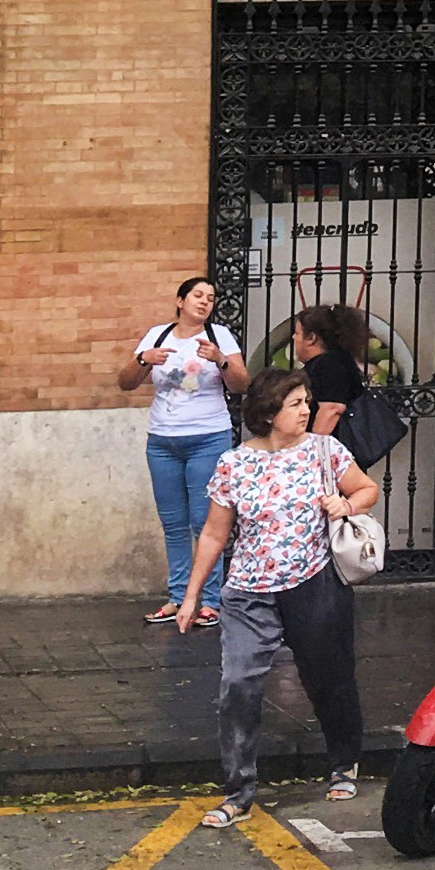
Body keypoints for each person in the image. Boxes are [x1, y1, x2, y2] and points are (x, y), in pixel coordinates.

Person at [177, 367, 378, 827]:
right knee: (238, 687)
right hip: (248, 592)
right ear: (269, 413)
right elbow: (213, 533)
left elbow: (367, 489)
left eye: (307, 401)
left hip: (314, 583)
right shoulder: (234, 464)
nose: (306, 410)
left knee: (328, 678)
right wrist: (192, 596)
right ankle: (237, 793)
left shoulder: (326, 451)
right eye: (295, 404)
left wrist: (346, 505)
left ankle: (343, 761)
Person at [121, 278, 248, 625]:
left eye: (211, 298)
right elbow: (126, 382)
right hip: (162, 440)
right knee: (173, 523)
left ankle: (209, 601)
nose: (205, 302)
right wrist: (142, 359)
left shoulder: (219, 336)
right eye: (198, 295)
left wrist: (221, 360)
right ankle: (178, 597)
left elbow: (242, 385)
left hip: (208, 437)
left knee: (204, 522)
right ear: (180, 300)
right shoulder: (157, 335)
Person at [292, 303, 369, 440]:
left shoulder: (328, 365)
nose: (293, 337)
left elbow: (332, 409)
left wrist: (313, 449)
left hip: (330, 451)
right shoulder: (334, 361)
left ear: (311, 338)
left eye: (297, 333)